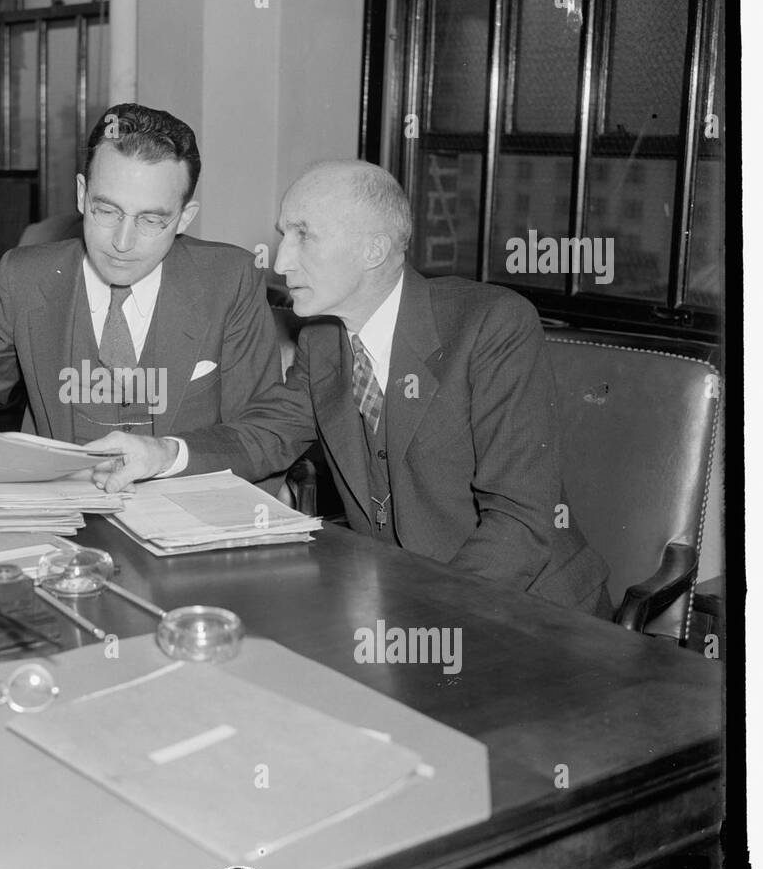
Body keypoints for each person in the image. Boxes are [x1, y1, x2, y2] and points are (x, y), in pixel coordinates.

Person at [88, 160, 612, 618]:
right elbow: (266, 435)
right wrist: (160, 453)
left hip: (532, 618)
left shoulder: (490, 325)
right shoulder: (323, 342)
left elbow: (518, 526)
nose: (281, 259)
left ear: (373, 249)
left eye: (303, 235)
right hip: (403, 608)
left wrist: (425, 622)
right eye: (282, 235)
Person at [0, 102, 283, 449]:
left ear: (184, 218)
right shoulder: (23, 278)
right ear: (82, 194)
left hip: (183, 497)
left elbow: (262, 434)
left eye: (151, 220)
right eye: (107, 211)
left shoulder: (231, 280)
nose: (122, 243)